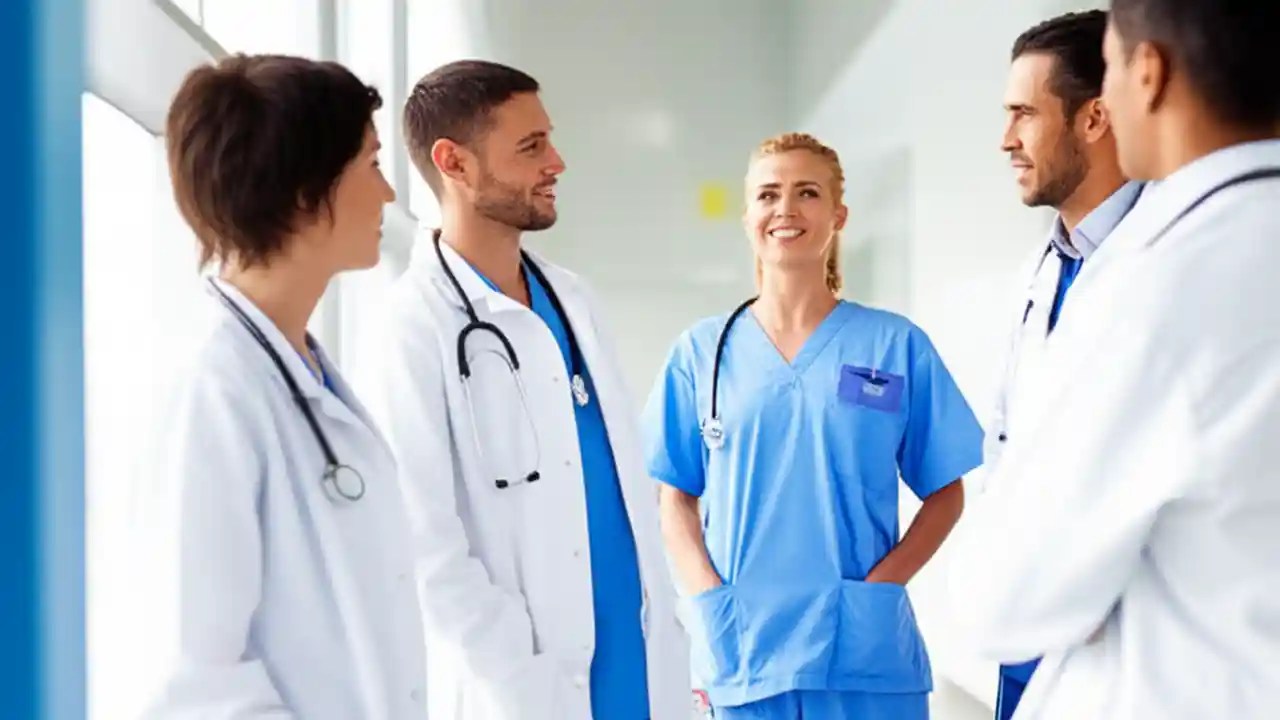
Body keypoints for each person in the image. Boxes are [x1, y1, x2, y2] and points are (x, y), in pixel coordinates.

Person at [950, 0, 1280, 716]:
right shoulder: (1072, 271)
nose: (1006, 139)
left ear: (1149, 74)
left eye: (1023, 114)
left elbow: (1006, 593)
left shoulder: (1158, 278)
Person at [367, 59, 688, 720]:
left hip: (643, 673)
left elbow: (625, 488)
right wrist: (521, 681)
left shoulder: (572, 299)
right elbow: (424, 547)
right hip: (532, 690)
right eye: (531, 146)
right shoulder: (414, 323)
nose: (557, 162)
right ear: (453, 163)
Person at [644, 132, 984, 719]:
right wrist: (709, 597)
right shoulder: (702, 353)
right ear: (747, 215)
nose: (786, 209)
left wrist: (881, 587)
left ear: (838, 215)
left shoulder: (893, 345)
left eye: (807, 193)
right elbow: (674, 496)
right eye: (768, 195)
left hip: (864, 653)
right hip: (744, 652)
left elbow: (946, 491)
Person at [135, 55, 426, 718]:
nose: (387, 195)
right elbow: (196, 678)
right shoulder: (213, 389)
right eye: (372, 165)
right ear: (303, 190)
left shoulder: (297, 372)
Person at [987, 11, 1144, 718]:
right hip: (1028, 623)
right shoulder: (1042, 269)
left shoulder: (1164, 253)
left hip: (1119, 634)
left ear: (1094, 119)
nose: (1006, 140)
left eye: (1024, 113)